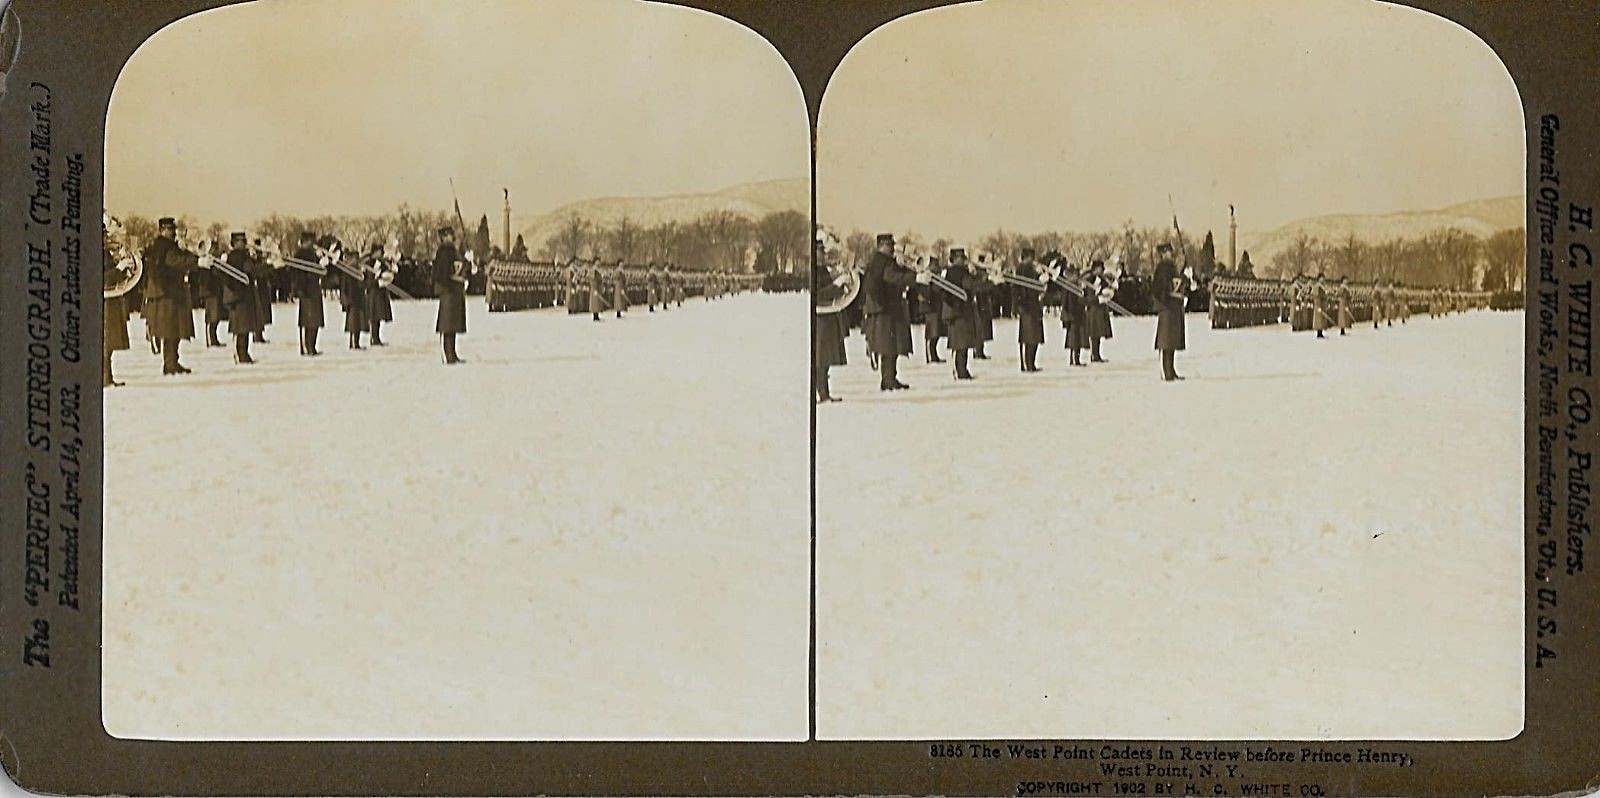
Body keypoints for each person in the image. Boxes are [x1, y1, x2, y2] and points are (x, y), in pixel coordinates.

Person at [139, 217, 203, 375]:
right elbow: (175, 261)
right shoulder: (162, 246)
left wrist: (190, 254)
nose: (173, 232)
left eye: (173, 229)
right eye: (169, 230)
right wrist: (197, 262)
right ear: (161, 230)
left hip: (170, 292)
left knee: (174, 329)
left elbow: (178, 258)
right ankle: (169, 364)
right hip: (166, 292)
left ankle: (173, 361)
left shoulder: (167, 246)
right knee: (170, 330)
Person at [861, 233, 923, 391]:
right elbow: (892, 277)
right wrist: (915, 278)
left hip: (884, 308)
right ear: (881, 245)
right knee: (888, 346)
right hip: (885, 308)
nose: (893, 248)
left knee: (891, 345)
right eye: (890, 245)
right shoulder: (883, 261)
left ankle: (890, 378)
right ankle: (888, 380)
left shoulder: (879, 261)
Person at [940, 248, 1001, 380]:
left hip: (960, 310)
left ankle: (962, 369)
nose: (963, 260)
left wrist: (983, 278)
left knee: (964, 343)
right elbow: (970, 285)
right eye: (961, 258)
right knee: (960, 343)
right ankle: (960, 371)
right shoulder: (957, 271)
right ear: (955, 259)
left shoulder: (957, 271)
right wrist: (989, 281)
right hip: (958, 311)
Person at [813, 242, 850, 403]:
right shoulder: (814, 271)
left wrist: (843, 288)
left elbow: (830, 291)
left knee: (824, 359)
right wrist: (837, 283)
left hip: (827, 315)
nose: (824, 254)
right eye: (820, 251)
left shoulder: (821, 270)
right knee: (821, 359)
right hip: (820, 316)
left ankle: (824, 392)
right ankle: (822, 393)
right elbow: (819, 294)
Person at [221, 231, 264, 364]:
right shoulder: (238, 256)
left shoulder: (237, 256)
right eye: (241, 241)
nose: (244, 243)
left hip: (240, 295)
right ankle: (241, 354)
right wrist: (267, 264)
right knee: (241, 328)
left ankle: (243, 353)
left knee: (244, 327)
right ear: (235, 243)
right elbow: (250, 269)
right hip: (240, 296)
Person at [1151, 241, 1191, 382]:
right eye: (1167, 252)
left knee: (1172, 340)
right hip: (1167, 306)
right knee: (1167, 341)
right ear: (1162, 254)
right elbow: (1161, 288)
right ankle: (1167, 371)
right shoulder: (1163, 268)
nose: (1170, 254)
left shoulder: (1172, 268)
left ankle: (1171, 369)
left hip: (1174, 306)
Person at [102, 227, 133, 387]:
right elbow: (101, 278)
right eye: (103, 234)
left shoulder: (105, 252)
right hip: (104, 300)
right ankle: (104, 378)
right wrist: (118, 268)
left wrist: (125, 270)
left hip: (111, 299)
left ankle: (108, 377)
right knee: (105, 342)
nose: (106, 237)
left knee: (109, 343)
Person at [432, 226, 467, 364]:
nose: (452, 236)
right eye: (449, 234)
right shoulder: (444, 251)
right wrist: (454, 278)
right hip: (448, 290)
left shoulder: (452, 251)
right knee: (448, 325)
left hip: (453, 290)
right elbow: (443, 273)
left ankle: (452, 352)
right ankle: (448, 354)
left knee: (453, 324)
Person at [292, 230, 324, 356]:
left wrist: (322, 262)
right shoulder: (300, 254)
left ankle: (312, 346)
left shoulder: (312, 254)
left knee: (315, 320)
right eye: (311, 241)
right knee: (308, 320)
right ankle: (307, 347)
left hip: (314, 289)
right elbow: (298, 274)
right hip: (306, 291)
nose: (313, 243)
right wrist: (299, 290)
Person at [1014, 248, 1046, 372]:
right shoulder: (1022, 268)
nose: (1033, 260)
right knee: (1029, 337)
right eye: (1031, 257)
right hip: (1027, 307)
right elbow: (1023, 287)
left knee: (1035, 337)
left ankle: (1031, 363)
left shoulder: (1030, 269)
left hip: (1033, 306)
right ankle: (1027, 364)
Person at [1085, 259, 1115, 363]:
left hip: (1100, 308)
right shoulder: (1089, 279)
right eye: (1100, 269)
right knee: (1094, 334)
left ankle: (1096, 354)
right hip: (1094, 309)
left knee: (1098, 334)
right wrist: (1098, 298)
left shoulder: (1102, 279)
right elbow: (1088, 295)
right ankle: (1094, 355)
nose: (1102, 271)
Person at [364, 242, 393, 346]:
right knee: (373, 317)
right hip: (373, 293)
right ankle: (373, 338)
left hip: (380, 292)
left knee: (379, 317)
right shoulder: (368, 263)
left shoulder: (382, 262)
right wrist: (376, 281)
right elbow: (367, 280)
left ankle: (377, 338)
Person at [339, 245, 367, 350]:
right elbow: (346, 286)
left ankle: (354, 343)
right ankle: (354, 343)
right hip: (353, 299)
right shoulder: (350, 270)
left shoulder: (352, 269)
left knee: (355, 323)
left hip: (356, 298)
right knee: (355, 323)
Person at [1060, 260, 1088, 366]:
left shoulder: (1073, 285)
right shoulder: (1071, 286)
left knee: (1075, 338)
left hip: (1073, 315)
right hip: (1074, 315)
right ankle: (1074, 359)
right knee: (1075, 339)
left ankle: (1074, 359)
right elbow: (1069, 302)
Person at [922, 255, 945, 363]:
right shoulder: (927, 276)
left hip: (937, 306)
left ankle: (934, 354)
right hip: (931, 308)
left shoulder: (936, 276)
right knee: (932, 333)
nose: (937, 267)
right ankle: (930, 356)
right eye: (935, 264)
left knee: (936, 332)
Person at [973, 253, 996, 358]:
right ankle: (978, 351)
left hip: (983, 304)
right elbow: (982, 288)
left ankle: (978, 350)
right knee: (980, 329)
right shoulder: (979, 275)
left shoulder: (978, 274)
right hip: (981, 304)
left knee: (981, 329)